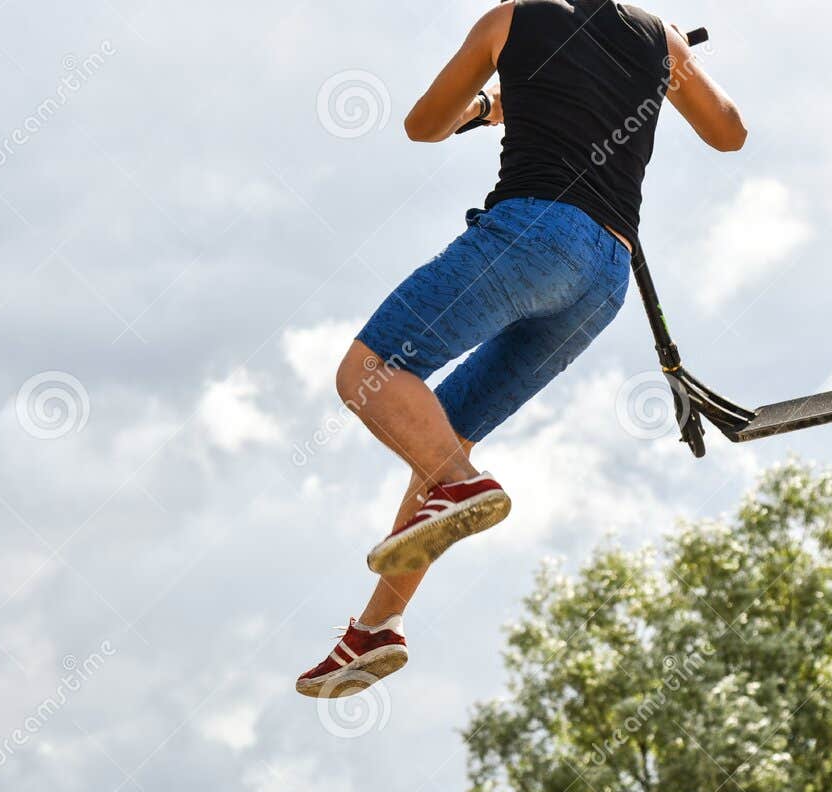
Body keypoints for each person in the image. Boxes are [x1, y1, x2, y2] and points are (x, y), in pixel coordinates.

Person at [297, 0, 746, 699]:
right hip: (604, 276)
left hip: (535, 233)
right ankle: (377, 627)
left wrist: (486, 109)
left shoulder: (510, 20)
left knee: (370, 371)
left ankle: (460, 487)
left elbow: (423, 125)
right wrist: (668, 68)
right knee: (442, 431)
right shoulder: (657, 37)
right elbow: (729, 133)